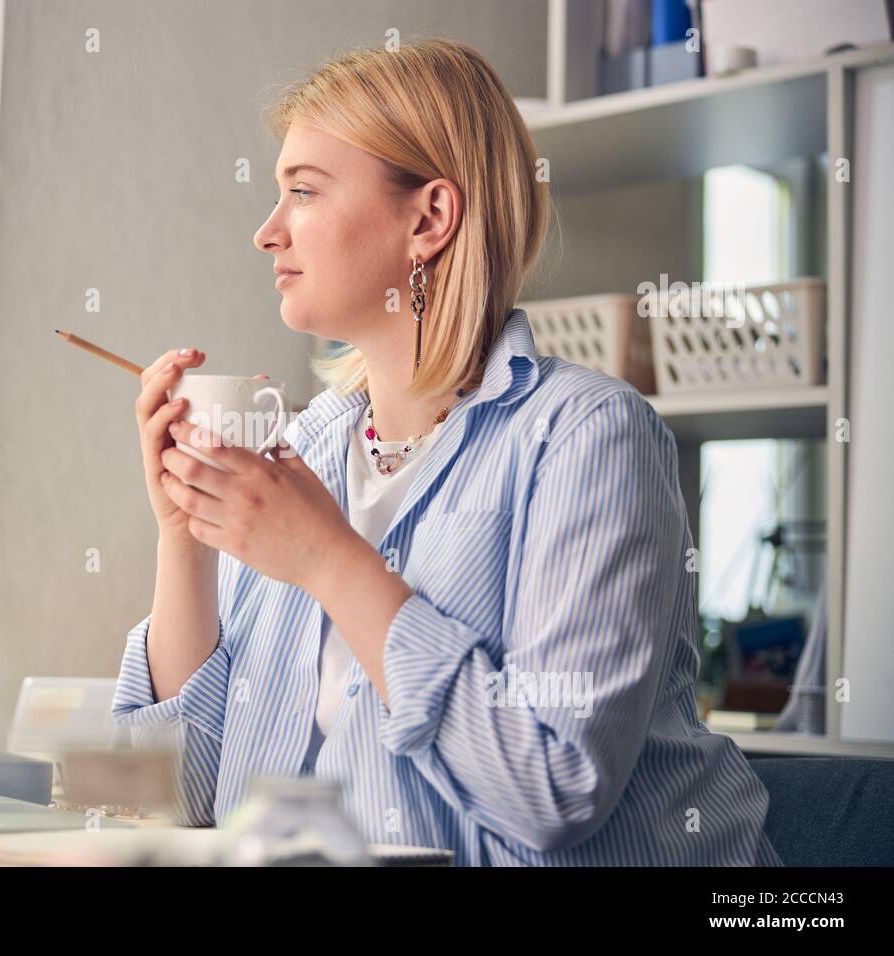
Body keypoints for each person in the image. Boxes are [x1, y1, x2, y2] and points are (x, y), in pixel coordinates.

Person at [113, 38, 781, 866]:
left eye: (303, 193)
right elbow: (177, 798)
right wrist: (183, 539)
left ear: (428, 218)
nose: (266, 231)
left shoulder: (587, 439)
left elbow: (552, 788)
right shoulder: (307, 451)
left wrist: (328, 560)